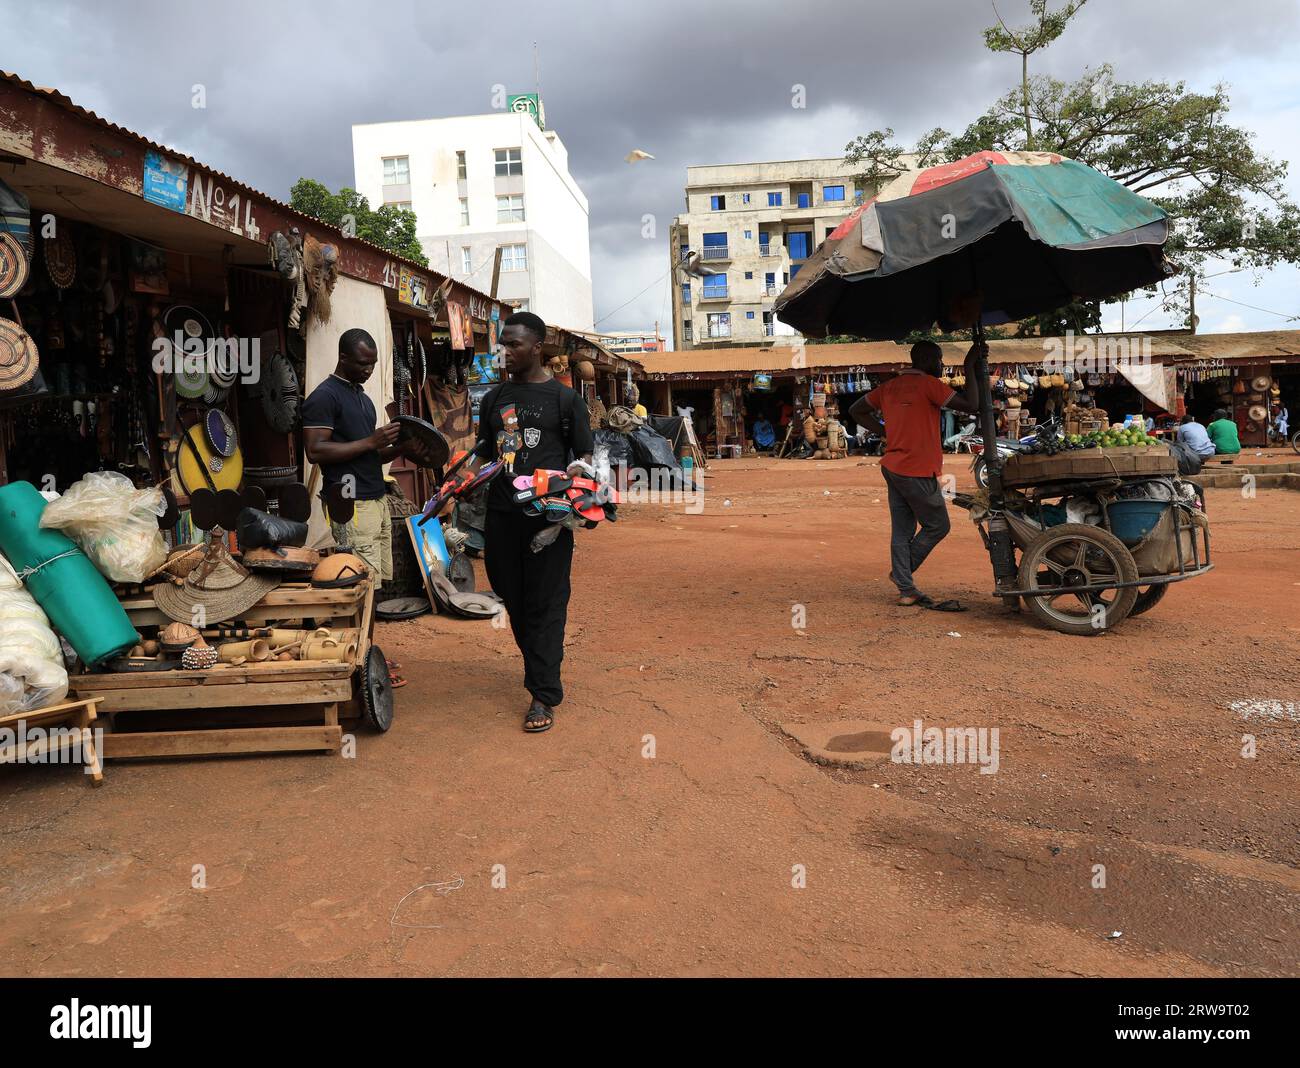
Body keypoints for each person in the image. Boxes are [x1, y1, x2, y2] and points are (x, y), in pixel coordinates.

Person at [466, 312, 593, 734]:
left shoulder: (565, 401)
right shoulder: (493, 399)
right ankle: (538, 666)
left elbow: (584, 457)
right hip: (501, 518)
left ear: (537, 347)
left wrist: (571, 483)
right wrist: (460, 481)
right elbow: (484, 452)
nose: (505, 351)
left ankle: (543, 693)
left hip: (548, 523)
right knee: (512, 596)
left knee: (547, 601)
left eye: (514, 344)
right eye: (503, 344)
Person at [303, 328, 418, 688]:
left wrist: (401, 447)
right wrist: (371, 440)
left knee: (374, 586)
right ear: (345, 358)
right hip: (349, 503)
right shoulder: (324, 397)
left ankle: (367, 651)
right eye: (363, 364)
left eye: (373, 365)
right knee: (357, 584)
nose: (369, 371)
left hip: (375, 498)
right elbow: (316, 451)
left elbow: (369, 453)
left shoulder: (364, 399)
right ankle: (356, 660)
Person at [850, 340, 981, 612]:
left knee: (902, 529)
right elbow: (973, 405)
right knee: (938, 525)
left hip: (893, 467)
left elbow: (856, 410)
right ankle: (902, 576)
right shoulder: (929, 385)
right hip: (917, 469)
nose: (942, 365)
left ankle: (906, 590)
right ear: (927, 360)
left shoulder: (889, 387)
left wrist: (883, 430)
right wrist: (970, 365)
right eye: (940, 360)